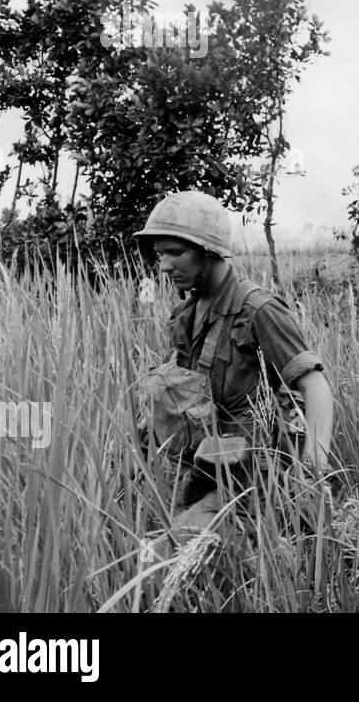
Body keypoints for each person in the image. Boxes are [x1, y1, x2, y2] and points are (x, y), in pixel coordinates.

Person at [134, 190, 334, 551]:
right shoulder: (186, 313)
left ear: (210, 251)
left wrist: (313, 471)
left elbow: (315, 384)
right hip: (201, 470)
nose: (164, 266)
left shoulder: (258, 309)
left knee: (164, 560)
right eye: (160, 254)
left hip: (246, 481)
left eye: (176, 253)